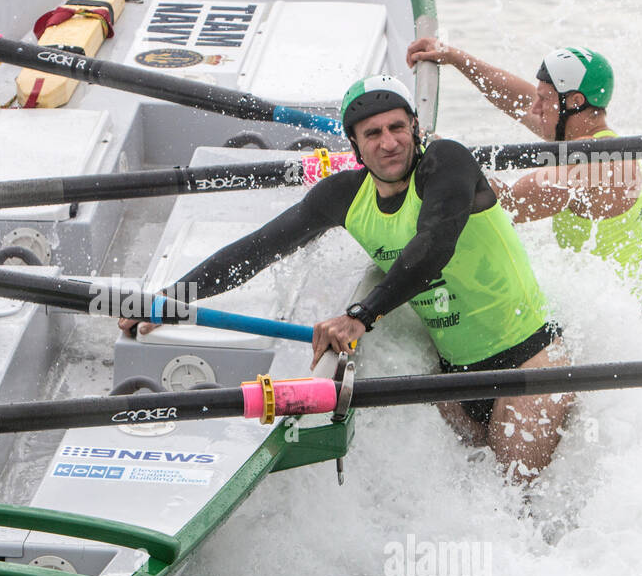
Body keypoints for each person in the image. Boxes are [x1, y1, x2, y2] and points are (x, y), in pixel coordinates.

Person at [120, 75, 573, 481]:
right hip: (454, 378)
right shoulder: (343, 195)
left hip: (529, 360)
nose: (389, 142)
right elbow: (257, 250)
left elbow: (435, 244)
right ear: (355, 146)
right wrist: (170, 298)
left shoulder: (447, 164)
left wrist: (361, 314)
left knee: (515, 504)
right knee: (478, 495)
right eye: (372, 134)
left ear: (416, 129)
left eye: (398, 128)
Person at [406, 40, 642, 307]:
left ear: (575, 102)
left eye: (544, 99)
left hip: (641, 313)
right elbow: (514, 99)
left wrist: (440, 152)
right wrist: (455, 57)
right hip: (639, 299)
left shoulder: (595, 162)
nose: (534, 108)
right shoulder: (592, 140)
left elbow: (508, 205)